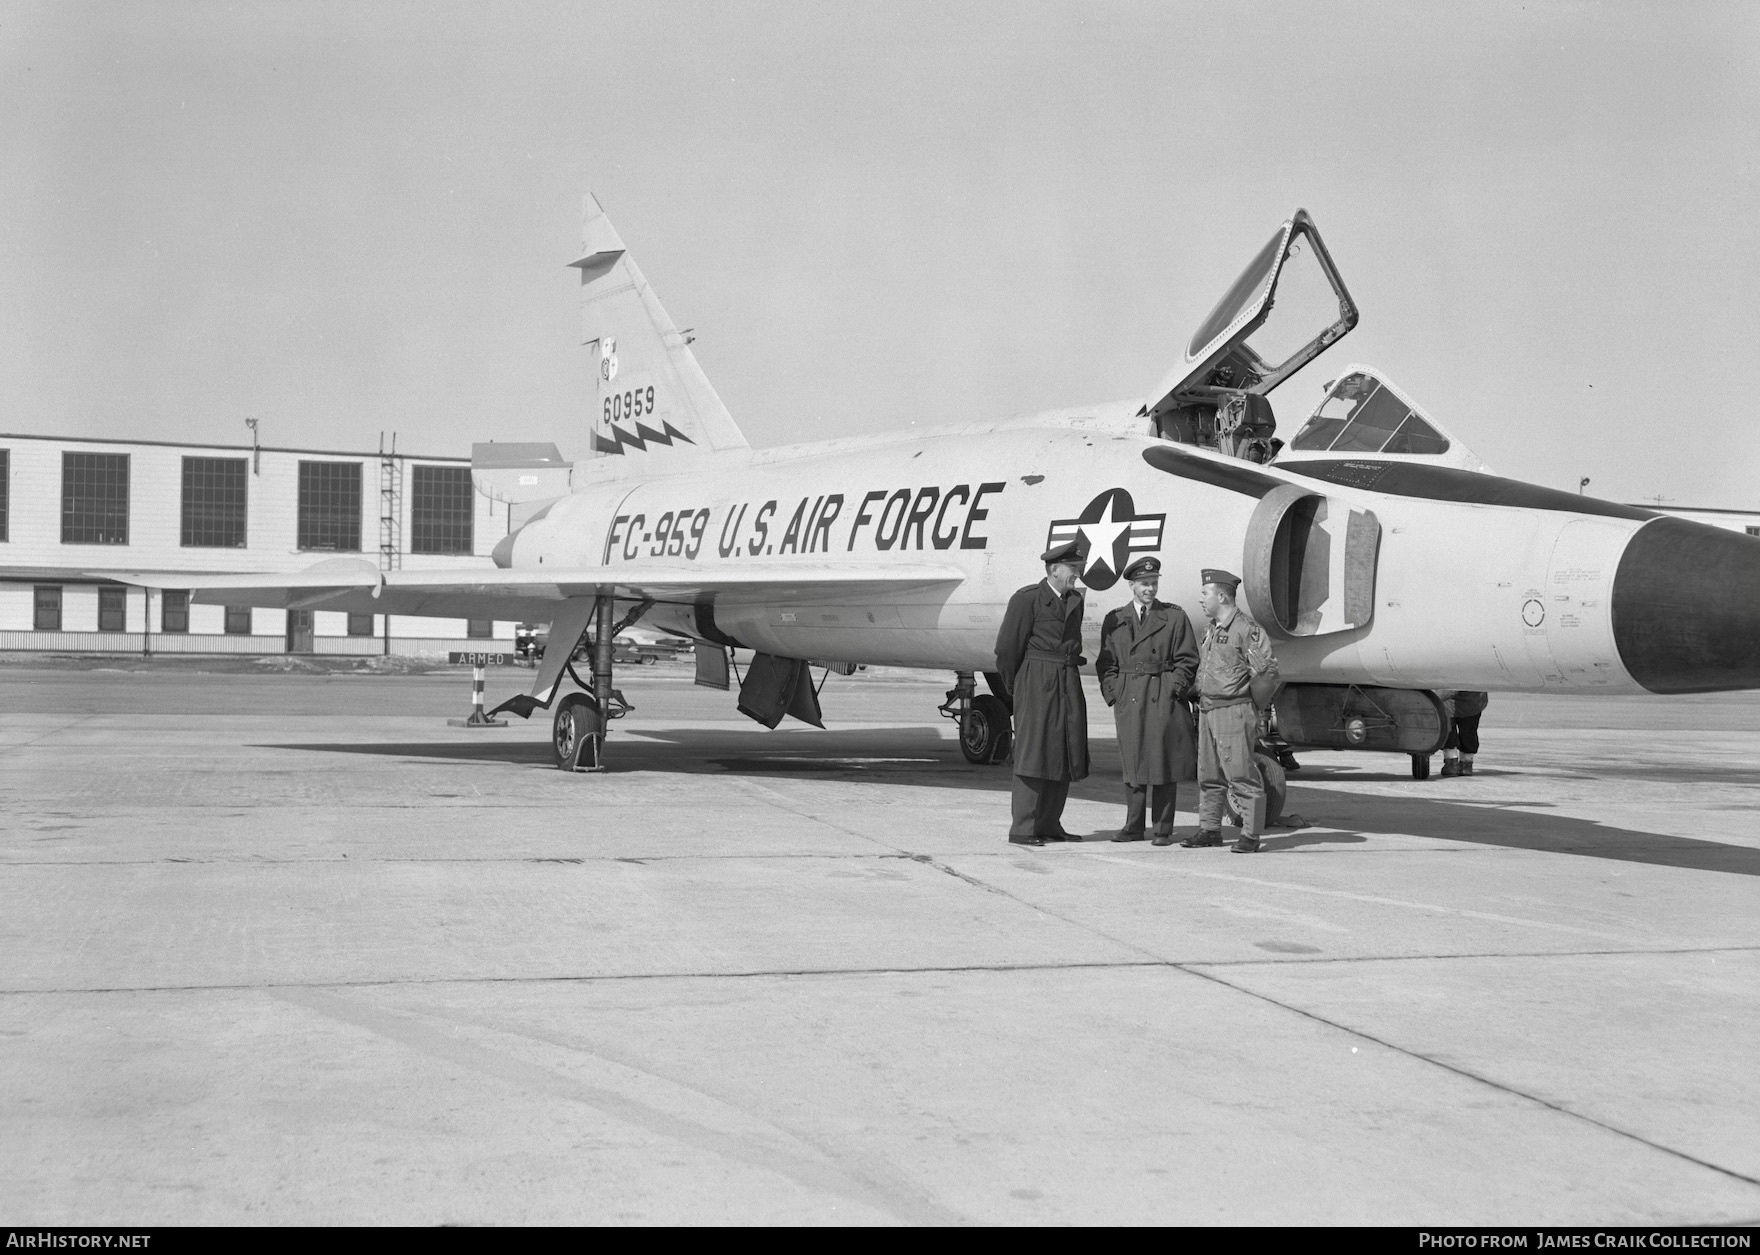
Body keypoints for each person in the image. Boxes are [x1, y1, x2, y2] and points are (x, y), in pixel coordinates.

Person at [1095, 556, 1199, 846]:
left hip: (1162, 696)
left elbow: (1188, 659)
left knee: (1163, 763)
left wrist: (1173, 689)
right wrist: (1114, 692)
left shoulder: (1175, 617)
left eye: (1153, 583)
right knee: (1133, 764)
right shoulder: (1115, 619)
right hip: (1130, 697)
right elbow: (1106, 662)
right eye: (1144, 584)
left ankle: (1163, 829)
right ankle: (1133, 827)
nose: (1150, 589)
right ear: (1131, 585)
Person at [994, 540, 1090, 845]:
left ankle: (1049, 823)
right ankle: (1023, 828)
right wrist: (1018, 688)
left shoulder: (1075, 600)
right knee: (1033, 753)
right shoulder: (1026, 599)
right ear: (1053, 569)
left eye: (1078, 567)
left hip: (1067, 678)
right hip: (1036, 680)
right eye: (1072, 568)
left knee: (1063, 751)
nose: (1077, 573)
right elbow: (1007, 650)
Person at [1183, 568, 1279, 854]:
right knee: (1209, 775)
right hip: (1209, 709)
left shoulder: (1245, 630)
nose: (1201, 599)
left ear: (1221, 596)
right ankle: (1210, 828)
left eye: (1205, 594)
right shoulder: (1211, 629)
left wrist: (1249, 703)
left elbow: (1268, 671)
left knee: (1241, 774)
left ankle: (1251, 834)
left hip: (1233, 710)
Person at [1439, 690, 1489, 776]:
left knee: (1448, 731)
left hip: (1449, 703)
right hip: (1472, 703)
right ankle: (1466, 763)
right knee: (1468, 733)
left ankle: (1451, 762)